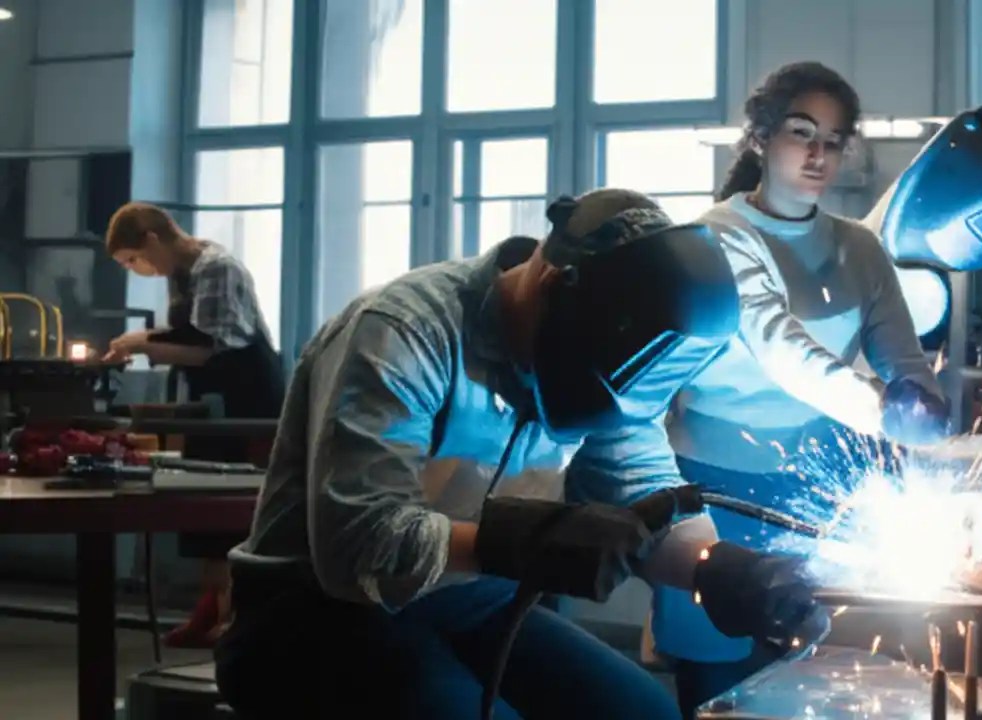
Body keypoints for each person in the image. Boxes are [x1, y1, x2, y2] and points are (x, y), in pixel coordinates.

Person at [213, 188, 830, 719]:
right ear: (555, 284)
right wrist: (523, 540)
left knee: (643, 713)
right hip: (311, 611)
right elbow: (355, 547)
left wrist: (721, 570)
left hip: (472, 601)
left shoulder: (616, 358)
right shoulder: (406, 331)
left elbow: (645, 502)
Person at [654, 61, 949, 717]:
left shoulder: (859, 250)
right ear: (759, 137)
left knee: (814, 684)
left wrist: (923, 408)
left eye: (834, 139)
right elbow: (781, 346)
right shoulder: (716, 237)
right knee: (716, 691)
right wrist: (882, 413)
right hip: (711, 490)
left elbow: (904, 355)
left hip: (813, 484)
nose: (819, 153)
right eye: (801, 132)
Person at [103, 202, 286, 647]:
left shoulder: (217, 267)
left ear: (151, 239)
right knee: (203, 506)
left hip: (248, 398)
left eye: (133, 259)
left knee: (240, 510)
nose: (137, 269)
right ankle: (210, 607)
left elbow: (209, 345)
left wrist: (143, 343)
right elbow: (185, 339)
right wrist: (143, 344)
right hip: (212, 401)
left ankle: (241, 616)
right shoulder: (179, 274)